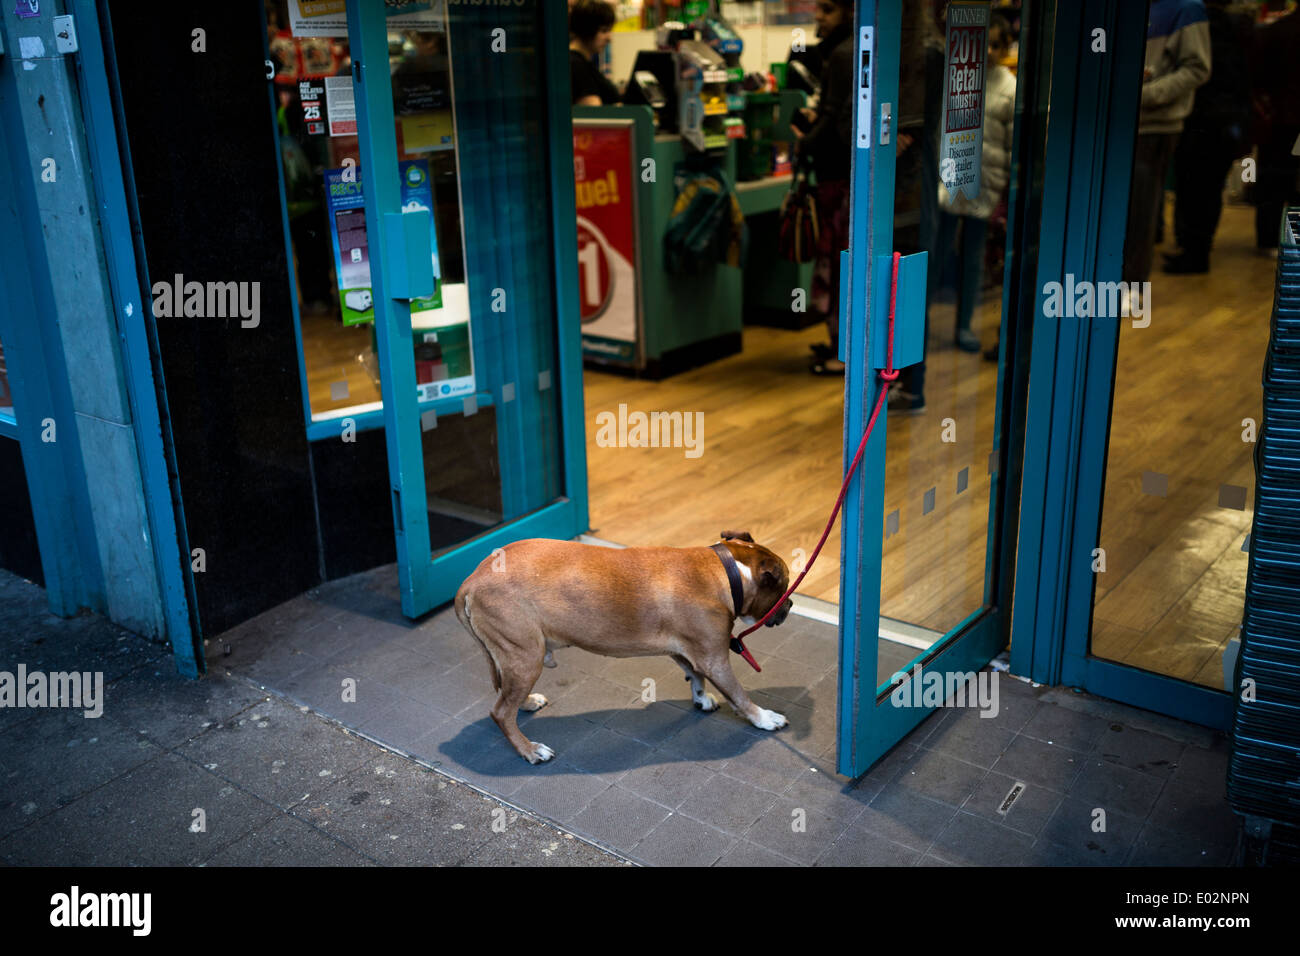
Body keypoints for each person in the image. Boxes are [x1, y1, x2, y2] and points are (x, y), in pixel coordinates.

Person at [934, 15, 1015, 353]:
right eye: (985, 44)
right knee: (937, 251)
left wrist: (1006, 180)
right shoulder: (958, 79)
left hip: (987, 183)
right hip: (952, 178)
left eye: (997, 45)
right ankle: (920, 319)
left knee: (973, 256)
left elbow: (1013, 144)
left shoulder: (1010, 88)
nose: (990, 52)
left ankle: (964, 324)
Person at [1121, 0, 1211, 288]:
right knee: (1121, 208)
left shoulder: (1186, 8)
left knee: (1140, 211)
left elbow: (1198, 68)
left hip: (1156, 125)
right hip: (1117, 121)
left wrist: (1145, 94)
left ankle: (1132, 286)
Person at [1163, 0, 1252, 273]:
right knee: (1209, 191)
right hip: (1226, 123)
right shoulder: (1240, 33)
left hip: (1201, 121)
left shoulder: (1201, 30)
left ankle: (1193, 252)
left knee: (1193, 189)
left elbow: (1200, 77)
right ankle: (1197, 249)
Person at [795, 0, 855, 376]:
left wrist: (803, 141)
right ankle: (839, 344)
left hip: (838, 178)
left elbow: (834, 121)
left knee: (836, 263)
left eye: (828, 9)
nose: (818, 17)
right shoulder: (843, 52)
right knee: (836, 263)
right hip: (840, 177)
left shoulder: (845, 55)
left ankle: (842, 350)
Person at [1250, 8, 1300, 253]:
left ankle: (1267, 240)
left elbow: (1258, 78)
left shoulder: (1275, 31)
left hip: (1277, 121)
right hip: (1289, 119)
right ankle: (1295, 241)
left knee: (1271, 183)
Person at [569, 0, 620, 106]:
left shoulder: (584, 62)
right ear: (587, 29)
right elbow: (592, 109)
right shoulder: (576, 65)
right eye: (604, 31)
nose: (609, 38)